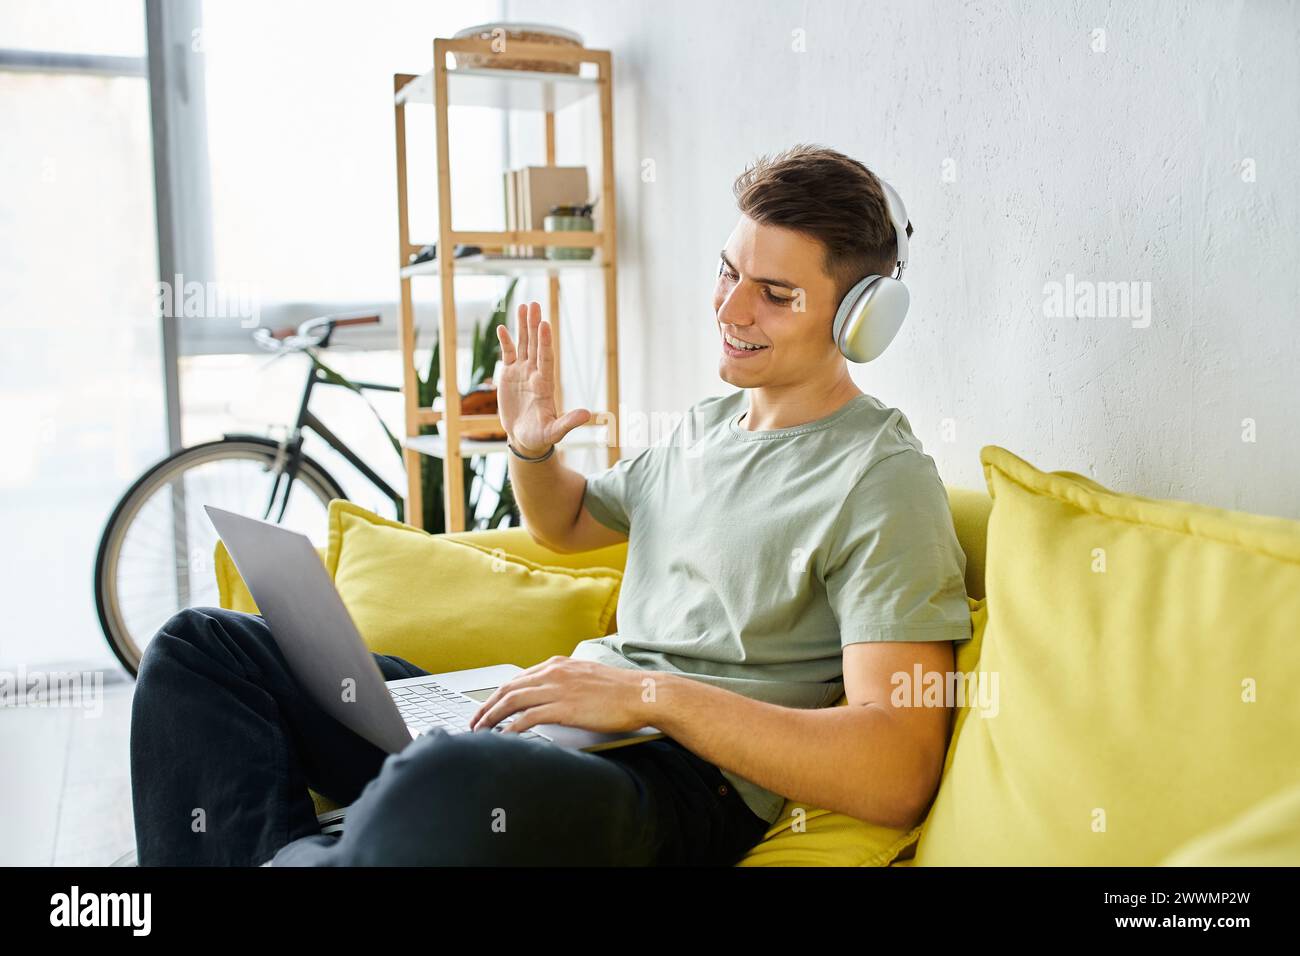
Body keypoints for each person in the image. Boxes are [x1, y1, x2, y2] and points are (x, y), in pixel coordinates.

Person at [130, 144, 971, 866]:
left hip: (673, 782)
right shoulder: (706, 428)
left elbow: (894, 770)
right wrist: (531, 447)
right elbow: (565, 522)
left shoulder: (880, 477)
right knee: (200, 650)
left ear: (861, 319)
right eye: (727, 271)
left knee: (442, 779)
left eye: (775, 295)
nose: (730, 309)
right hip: (560, 723)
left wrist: (646, 697)